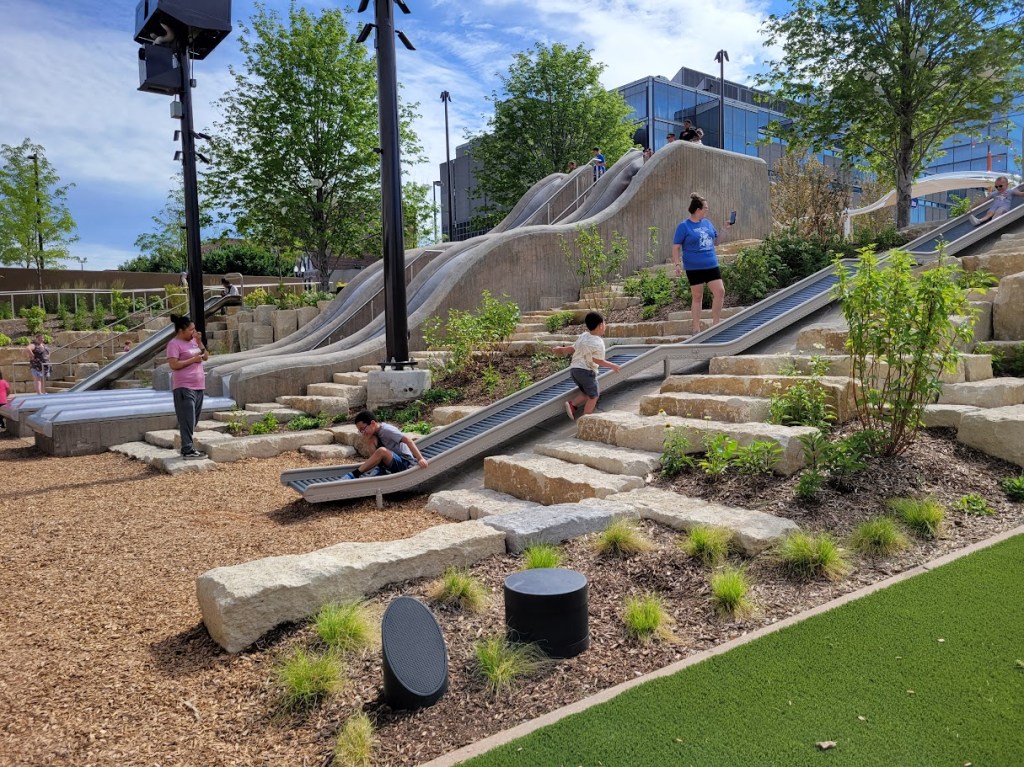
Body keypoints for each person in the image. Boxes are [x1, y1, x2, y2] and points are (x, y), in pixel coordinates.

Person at [672, 193, 731, 335]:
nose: (707, 210)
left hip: (711, 264)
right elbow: (676, 247)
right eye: (706, 208)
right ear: (698, 209)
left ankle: (716, 324)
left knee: (720, 292)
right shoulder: (684, 226)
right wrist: (677, 264)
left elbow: (716, 242)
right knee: (697, 297)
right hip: (694, 267)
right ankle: (696, 328)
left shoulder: (708, 223)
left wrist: (724, 229)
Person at [553, 311, 622, 421]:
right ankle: (586, 418)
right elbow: (597, 360)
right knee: (594, 396)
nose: (605, 326)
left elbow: (573, 348)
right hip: (586, 372)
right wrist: (612, 365)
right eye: (604, 323)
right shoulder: (598, 343)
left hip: (574, 370)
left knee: (586, 392)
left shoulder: (584, 336)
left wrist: (561, 349)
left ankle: (572, 404)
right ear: (600, 326)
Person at [166, 314, 208, 460]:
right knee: (187, 419)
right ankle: (187, 449)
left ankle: (187, 447)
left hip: (198, 386)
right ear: (181, 330)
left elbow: (206, 356)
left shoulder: (193, 342)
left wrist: (200, 342)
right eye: (191, 330)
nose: (194, 332)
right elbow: (174, 365)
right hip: (184, 386)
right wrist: (193, 360)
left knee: (193, 420)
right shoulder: (174, 344)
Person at [342, 409, 429, 479]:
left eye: (363, 429)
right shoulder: (374, 434)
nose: (363, 432)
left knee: (381, 451)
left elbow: (408, 440)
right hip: (392, 461)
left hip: (404, 463)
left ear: (372, 423)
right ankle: (378, 468)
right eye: (360, 431)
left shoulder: (387, 430)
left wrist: (420, 459)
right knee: (370, 439)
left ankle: (355, 474)